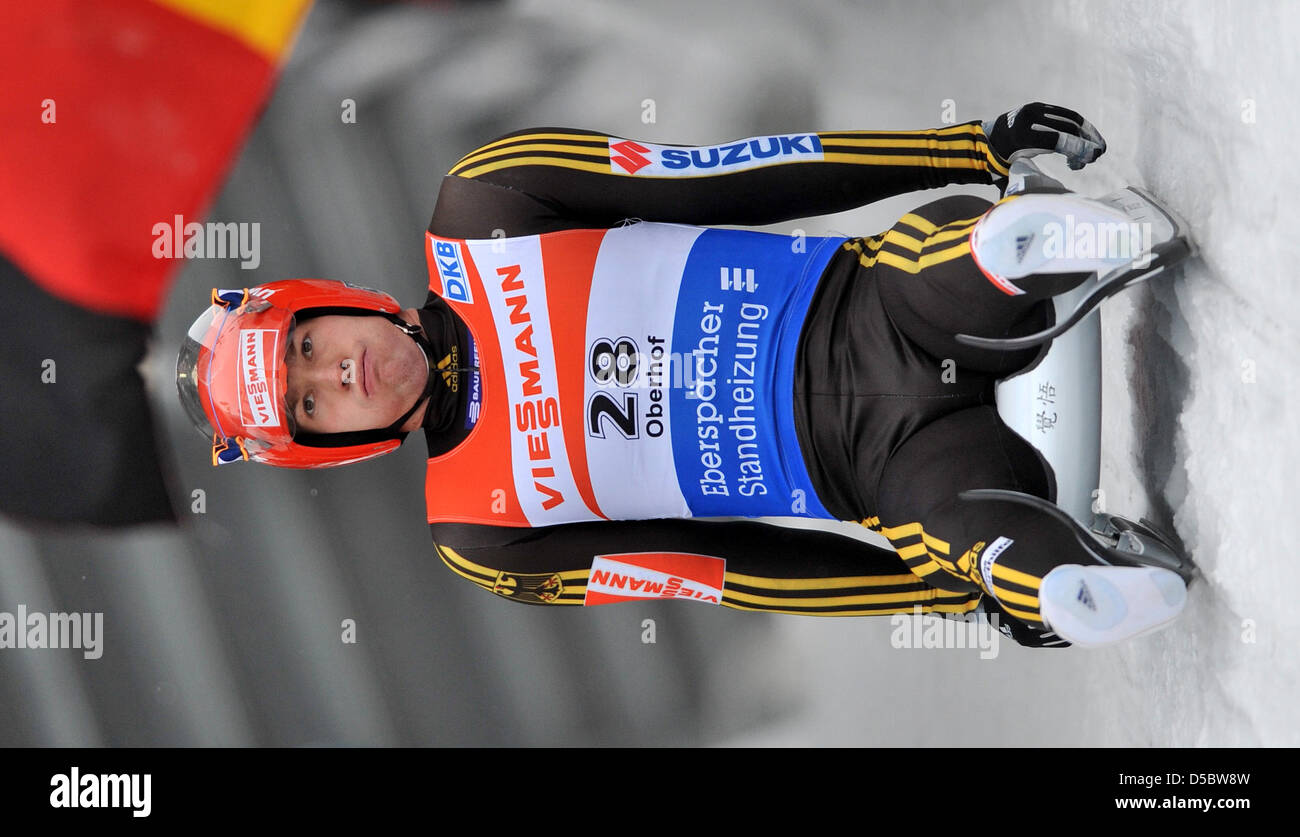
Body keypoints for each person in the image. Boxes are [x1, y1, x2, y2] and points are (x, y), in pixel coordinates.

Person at [177, 102, 1189, 648]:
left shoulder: (486, 203)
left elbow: (728, 176)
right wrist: (954, 599)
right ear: (336, 443)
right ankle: (1056, 585)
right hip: (881, 468)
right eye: (312, 403)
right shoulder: (480, 533)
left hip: (865, 304)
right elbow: (724, 572)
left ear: (333, 301)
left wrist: (963, 148)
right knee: (957, 531)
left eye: (307, 345)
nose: (339, 371)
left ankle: (1018, 249)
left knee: (940, 272)